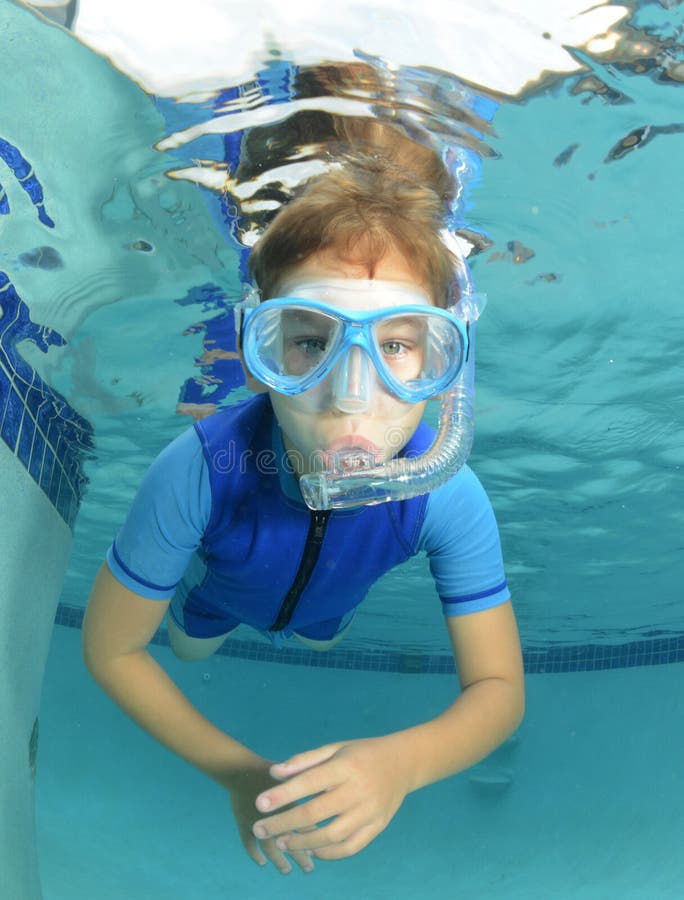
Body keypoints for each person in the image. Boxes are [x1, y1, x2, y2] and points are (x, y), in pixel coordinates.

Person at [82, 148, 524, 876]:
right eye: (310, 342)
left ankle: (306, 628)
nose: (351, 393)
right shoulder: (202, 469)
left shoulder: (447, 493)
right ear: (262, 348)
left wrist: (403, 764)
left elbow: (499, 691)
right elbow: (113, 650)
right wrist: (237, 770)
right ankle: (207, 626)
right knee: (189, 648)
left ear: (446, 362)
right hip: (214, 604)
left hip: (330, 609)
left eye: (399, 346)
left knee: (321, 634)